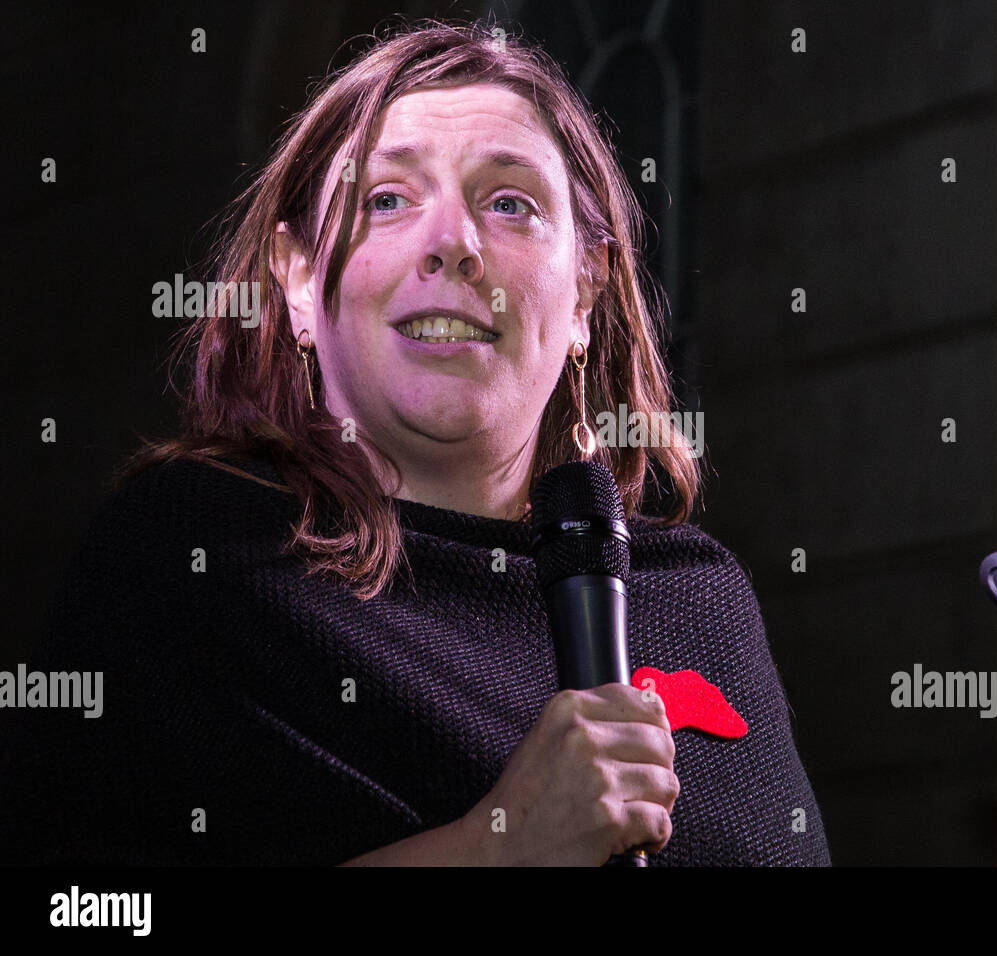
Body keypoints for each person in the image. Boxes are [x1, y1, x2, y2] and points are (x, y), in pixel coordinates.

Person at [0, 19, 830, 866]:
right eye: (387, 200)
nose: (454, 243)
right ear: (294, 280)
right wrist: (494, 849)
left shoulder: (695, 595)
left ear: (586, 291)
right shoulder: (195, 554)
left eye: (511, 203)